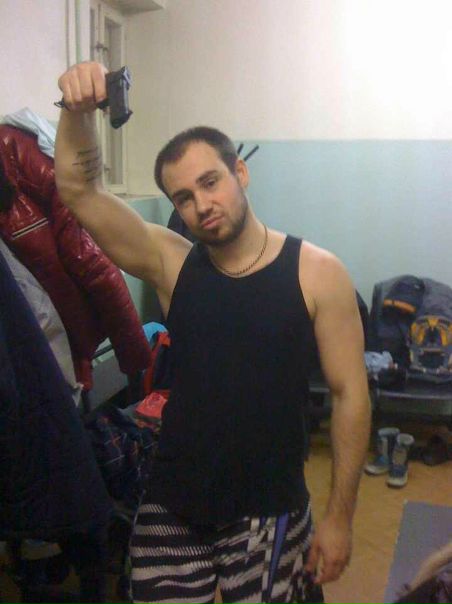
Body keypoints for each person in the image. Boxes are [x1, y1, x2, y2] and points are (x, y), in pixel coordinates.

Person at [56, 61, 371, 604]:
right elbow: (79, 191)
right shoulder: (172, 263)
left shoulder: (318, 273)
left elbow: (350, 395)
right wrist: (77, 110)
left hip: (270, 507)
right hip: (174, 499)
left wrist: (340, 518)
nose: (201, 205)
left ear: (239, 173)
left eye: (210, 182)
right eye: (183, 197)